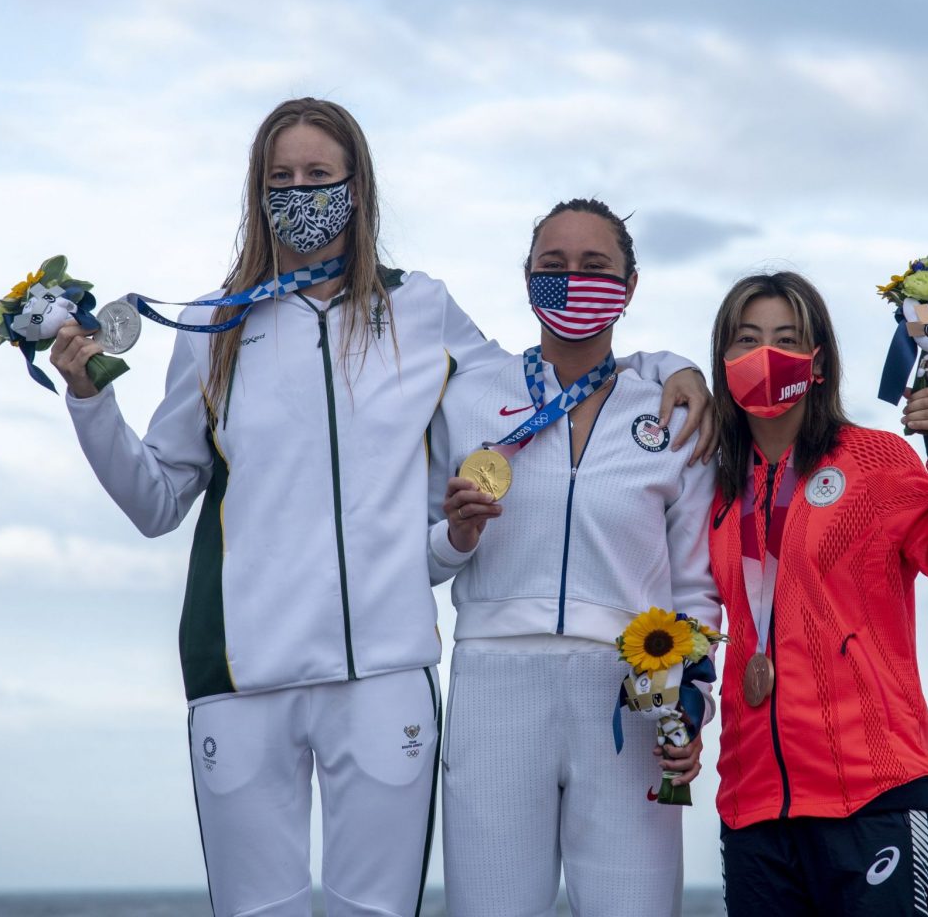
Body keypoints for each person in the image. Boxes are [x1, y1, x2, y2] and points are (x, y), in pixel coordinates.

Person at [47, 100, 711, 917]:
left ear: (357, 187)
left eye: (318, 175)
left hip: (385, 674)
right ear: (256, 194)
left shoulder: (420, 308)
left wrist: (669, 363)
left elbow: (544, 374)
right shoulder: (212, 325)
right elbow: (156, 502)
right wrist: (87, 401)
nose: (299, 192)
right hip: (242, 672)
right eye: (279, 178)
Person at [426, 198, 722, 917]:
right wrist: (456, 538)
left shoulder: (672, 411)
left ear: (630, 284)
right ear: (526, 277)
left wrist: (694, 697)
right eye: (553, 266)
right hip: (494, 682)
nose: (573, 280)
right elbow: (420, 557)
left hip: (629, 695)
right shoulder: (466, 398)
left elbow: (697, 586)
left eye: (595, 267)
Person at [705, 272, 928, 917]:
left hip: (875, 792)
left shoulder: (877, 462)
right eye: (746, 340)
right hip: (754, 805)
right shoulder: (715, 488)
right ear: (722, 360)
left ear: (818, 361)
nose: (765, 354)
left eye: (786, 338)